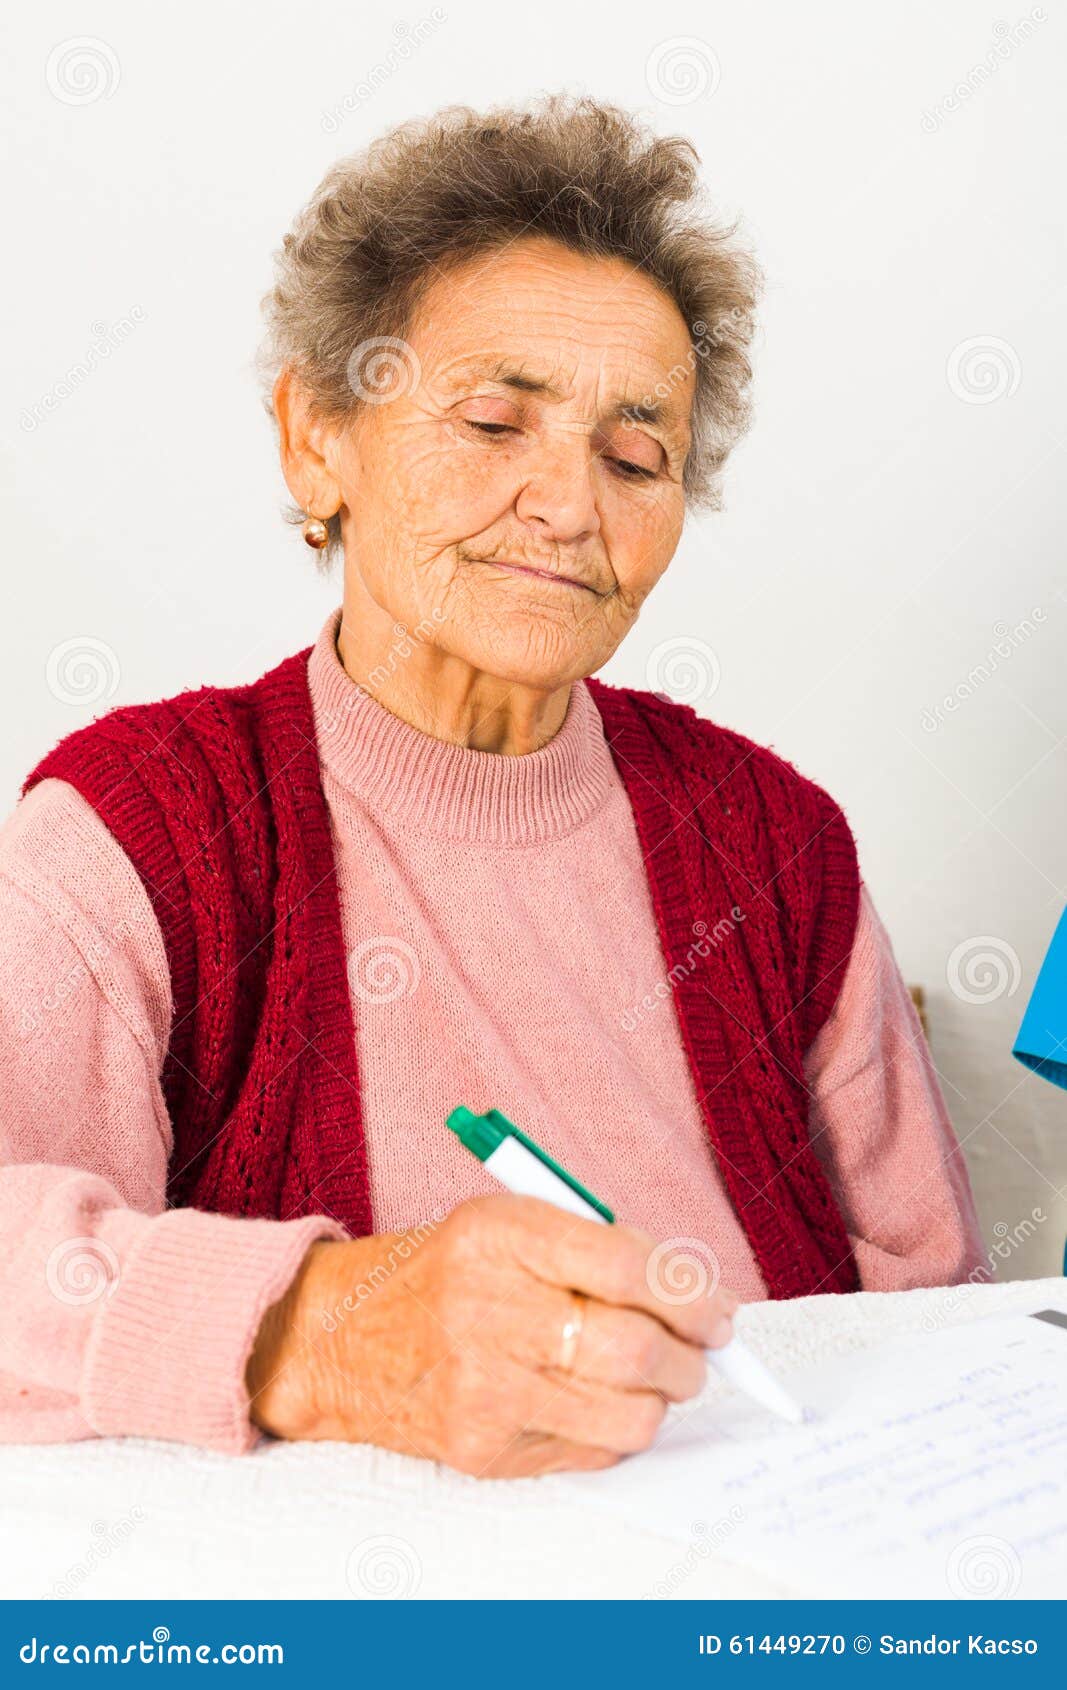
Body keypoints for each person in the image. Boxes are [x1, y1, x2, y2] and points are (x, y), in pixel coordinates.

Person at [0, 96, 984, 1479]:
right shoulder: (137, 830)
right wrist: (315, 1333)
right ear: (316, 438)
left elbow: (946, 1327)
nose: (572, 505)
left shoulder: (778, 845)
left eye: (635, 455)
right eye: (492, 420)